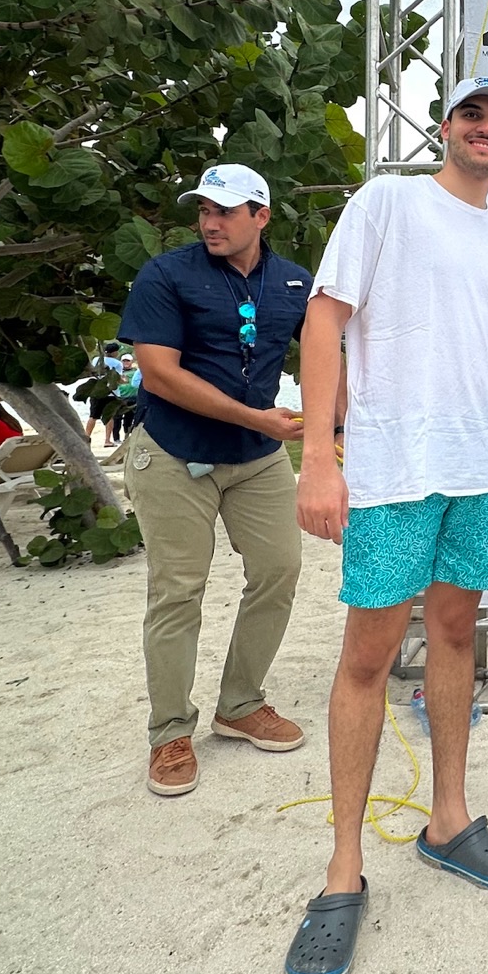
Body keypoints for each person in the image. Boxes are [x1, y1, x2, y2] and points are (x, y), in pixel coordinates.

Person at [284, 76, 488, 974]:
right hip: (391, 473)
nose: (486, 128)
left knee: (459, 640)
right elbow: (323, 318)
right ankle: (343, 872)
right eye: (473, 114)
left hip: (478, 471)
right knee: (366, 661)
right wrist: (320, 454)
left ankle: (448, 822)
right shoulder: (387, 198)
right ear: (444, 128)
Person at [120, 162, 319, 798]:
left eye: (225, 211)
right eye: (203, 210)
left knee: (280, 570)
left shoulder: (295, 281)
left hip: (256, 456)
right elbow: (158, 375)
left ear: (261, 216)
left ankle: (239, 705)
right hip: (174, 452)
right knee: (178, 589)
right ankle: (170, 732)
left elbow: (331, 353)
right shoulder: (165, 274)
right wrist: (254, 415)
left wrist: (332, 423)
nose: (210, 222)